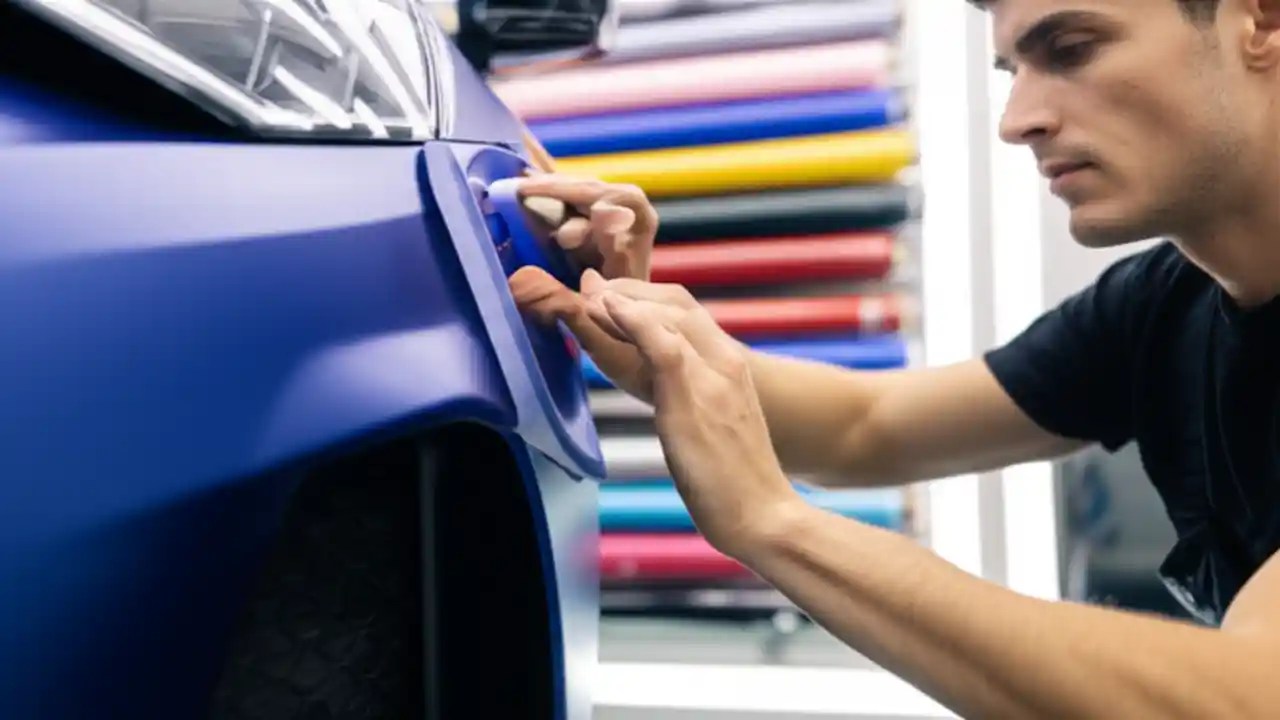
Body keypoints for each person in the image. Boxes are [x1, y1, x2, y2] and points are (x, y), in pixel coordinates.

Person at [509, 0, 1280, 716]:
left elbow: (1247, 697)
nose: (1017, 121)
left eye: (1072, 50)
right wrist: (665, 354)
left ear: (1260, 21)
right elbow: (867, 427)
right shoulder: (1161, 305)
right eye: (1015, 72)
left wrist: (773, 523)